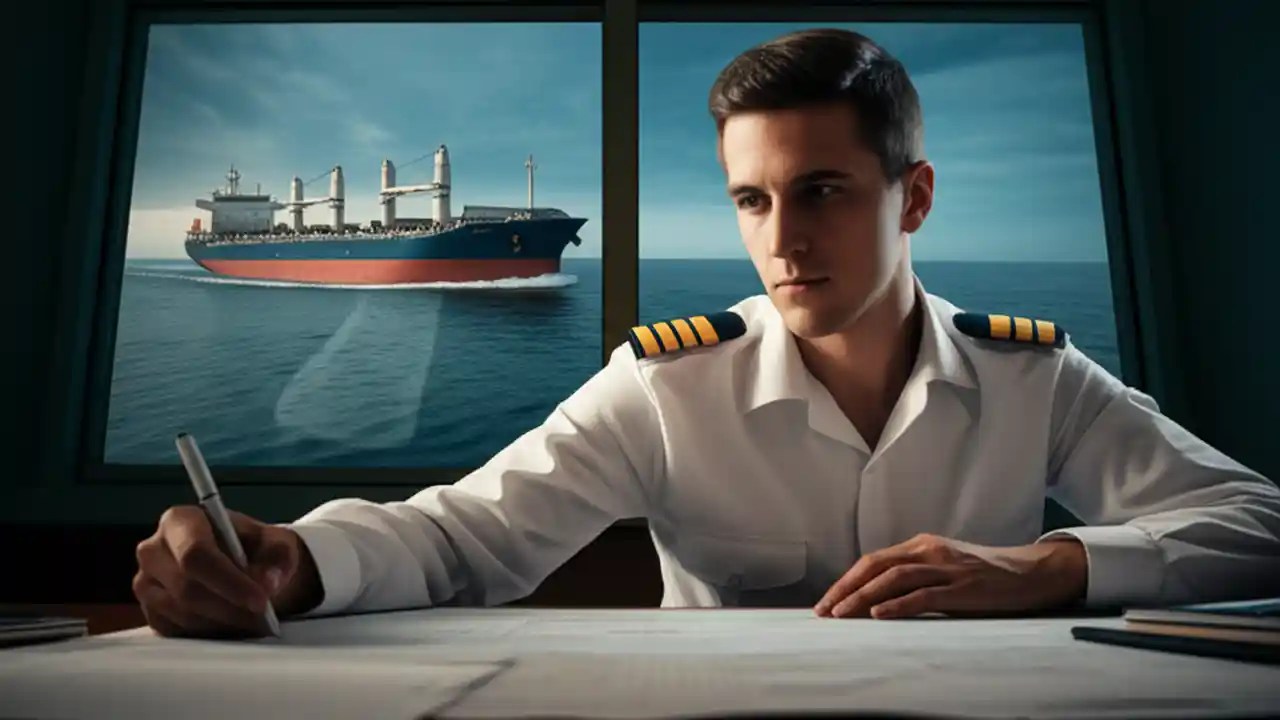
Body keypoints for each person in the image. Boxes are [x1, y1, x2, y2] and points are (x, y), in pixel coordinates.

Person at [134, 28, 1280, 639]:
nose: (781, 239)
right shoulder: (666, 384)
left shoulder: (1035, 377)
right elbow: (459, 541)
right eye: (751, 201)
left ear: (912, 197)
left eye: (823, 190)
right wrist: (292, 561)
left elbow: (1258, 525)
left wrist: (1049, 566)